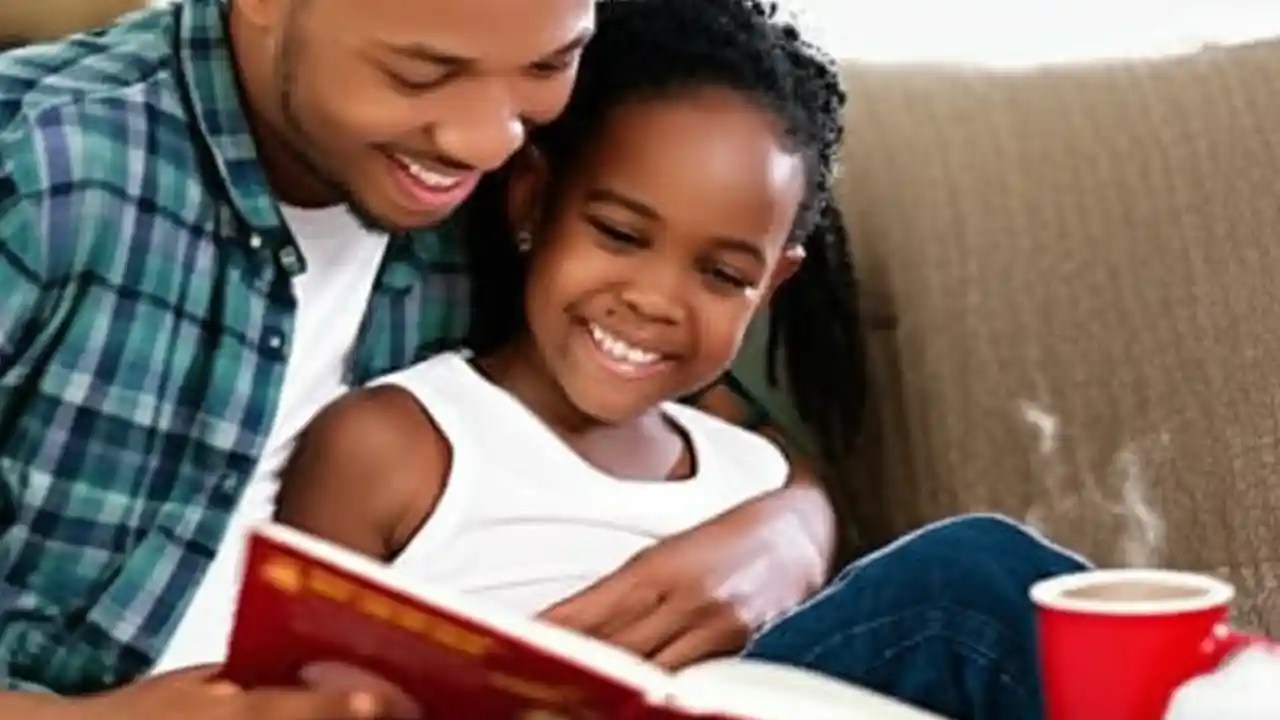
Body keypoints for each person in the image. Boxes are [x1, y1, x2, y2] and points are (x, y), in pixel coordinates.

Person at [0, 0, 838, 716]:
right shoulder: (42, 176)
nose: (485, 139)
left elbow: (709, 404)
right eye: (421, 72)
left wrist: (788, 536)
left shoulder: (506, 184)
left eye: (549, 63)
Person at [267, 3, 1088, 719]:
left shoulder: (755, 479)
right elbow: (290, 689)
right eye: (620, 235)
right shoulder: (396, 444)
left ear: (771, 286)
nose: (657, 300)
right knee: (968, 584)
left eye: (723, 274)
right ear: (531, 202)